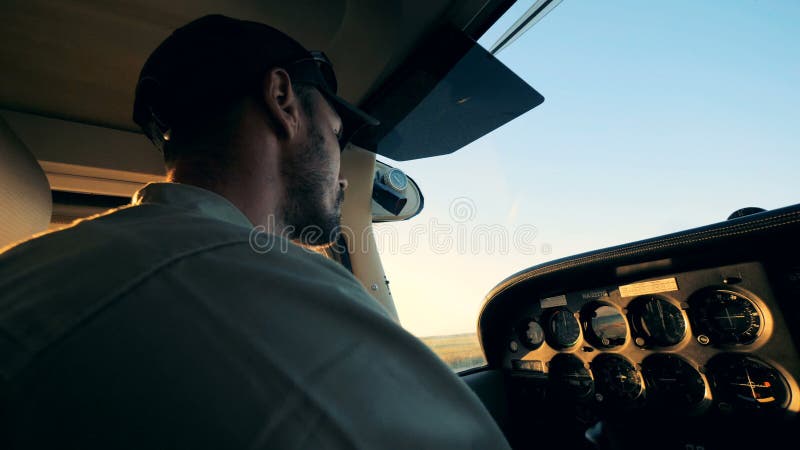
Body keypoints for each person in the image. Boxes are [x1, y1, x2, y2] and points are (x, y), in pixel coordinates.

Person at [0, 15, 510, 449]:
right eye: (334, 135)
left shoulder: (28, 269)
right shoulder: (274, 289)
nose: (343, 174)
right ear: (283, 101)